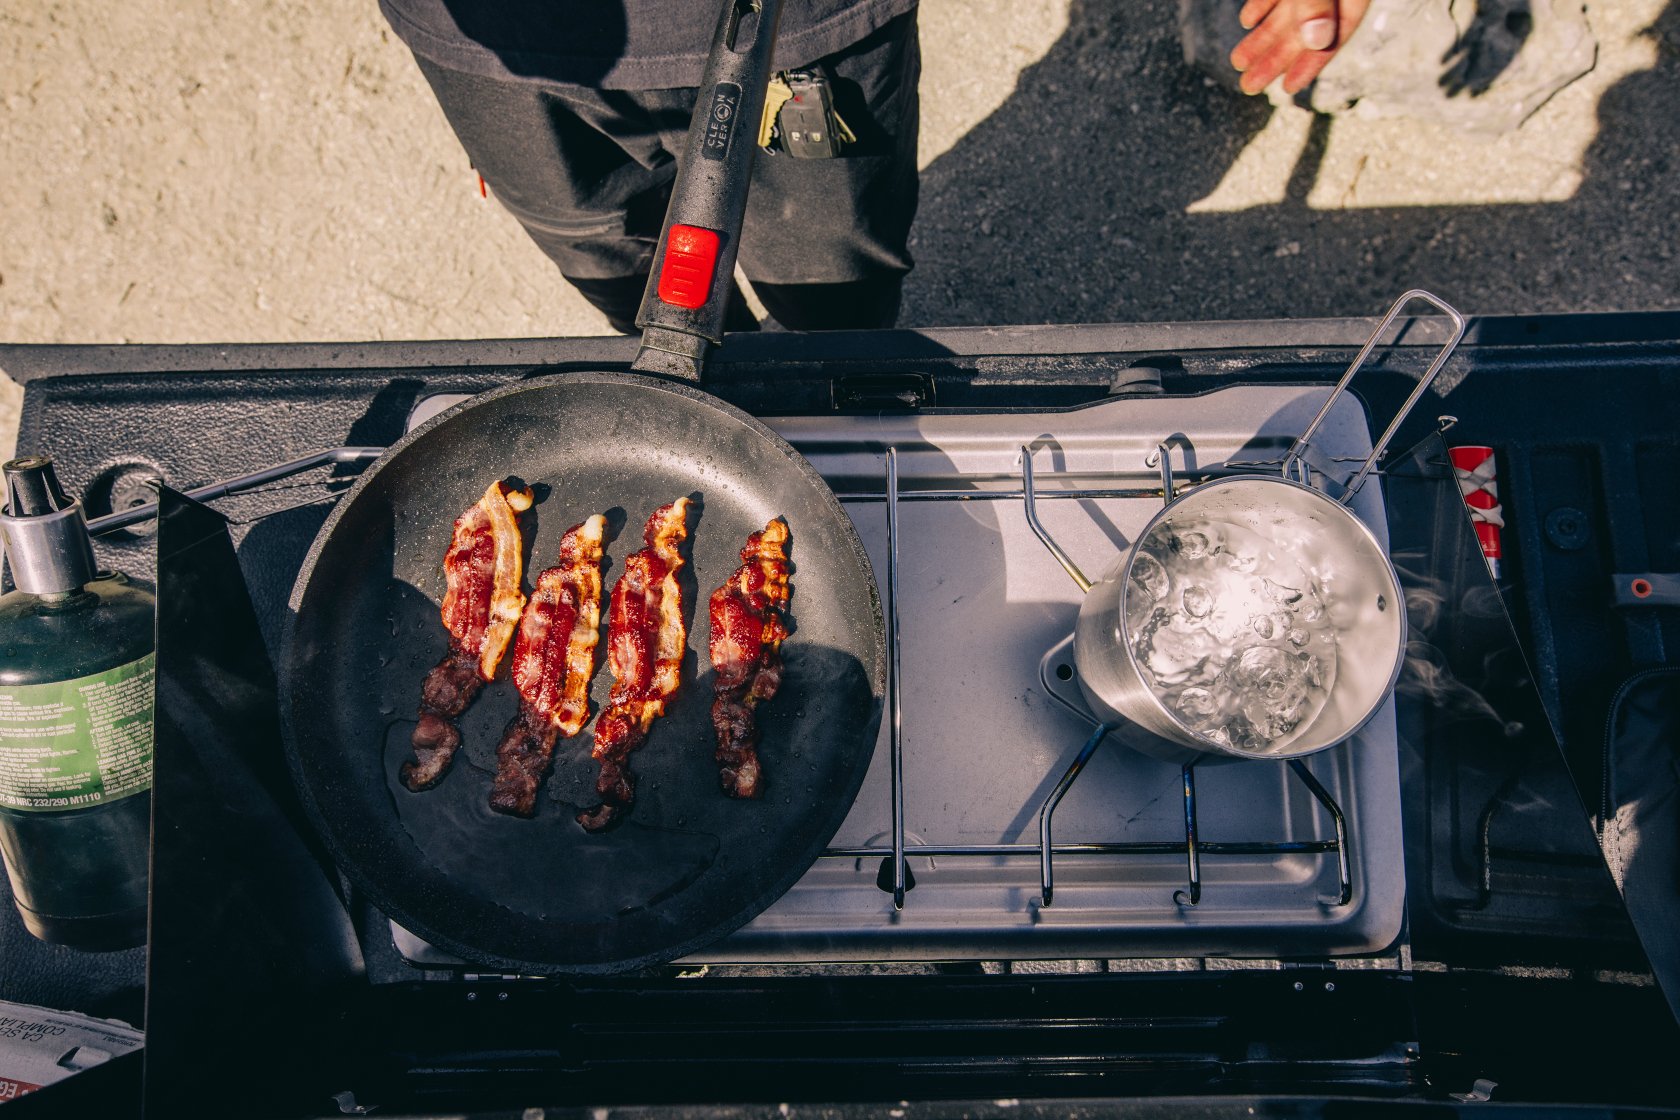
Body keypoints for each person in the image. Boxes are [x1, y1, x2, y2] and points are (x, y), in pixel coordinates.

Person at [380, 0, 1369, 333]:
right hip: (489, 48)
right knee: (602, 251)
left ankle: (829, 388)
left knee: (829, 267)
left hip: (800, 29)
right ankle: (703, 391)